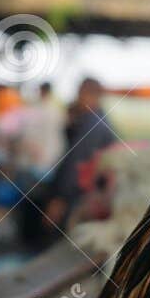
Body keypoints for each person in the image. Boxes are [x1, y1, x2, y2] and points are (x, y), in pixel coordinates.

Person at [45, 78, 117, 227]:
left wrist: (60, 200)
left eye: (79, 94)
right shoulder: (96, 120)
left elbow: (76, 164)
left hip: (78, 199)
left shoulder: (93, 125)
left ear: (86, 94)